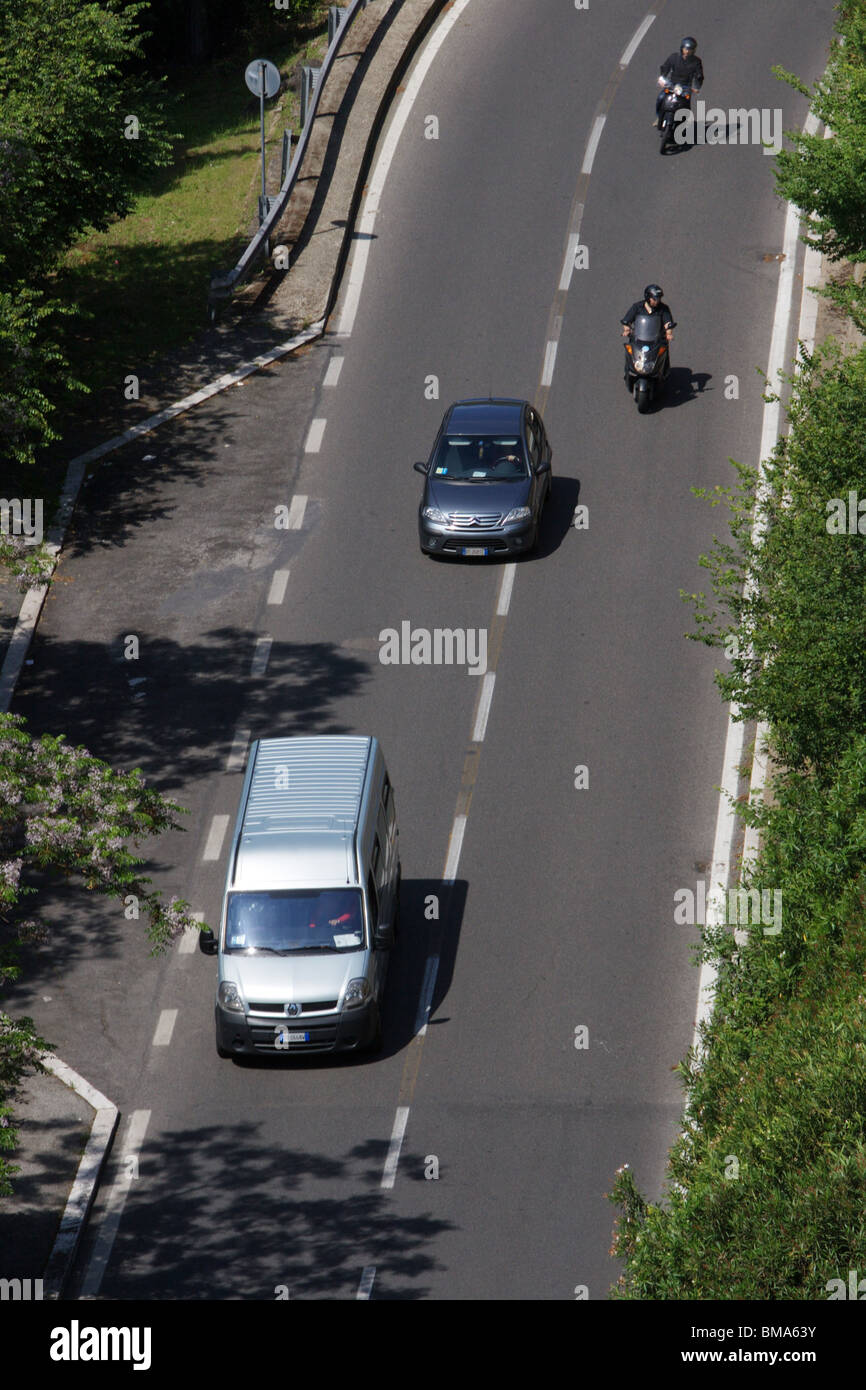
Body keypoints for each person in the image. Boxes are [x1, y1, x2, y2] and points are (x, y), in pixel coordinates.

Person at [621, 286, 675, 380]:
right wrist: (626, 329)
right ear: (648, 297)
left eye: (658, 299)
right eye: (654, 299)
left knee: (663, 351)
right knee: (630, 351)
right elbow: (627, 320)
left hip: (656, 339)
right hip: (639, 338)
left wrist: (669, 333)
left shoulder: (663, 309)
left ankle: (663, 372)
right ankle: (628, 372)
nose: (657, 301)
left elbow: (668, 322)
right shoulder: (637, 307)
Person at [655, 36, 703, 125]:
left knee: (686, 106)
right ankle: (658, 117)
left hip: (685, 87)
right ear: (682, 48)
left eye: (690, 49)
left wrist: (696, 87)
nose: (687, 51)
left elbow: (699, 75)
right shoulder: (674, 57)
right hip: (671, 84)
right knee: (660, 98)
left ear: (694, 50)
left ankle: (684, 124)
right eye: (686, 49)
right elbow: (666, 67)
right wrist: (662, 78)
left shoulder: (696, 62)